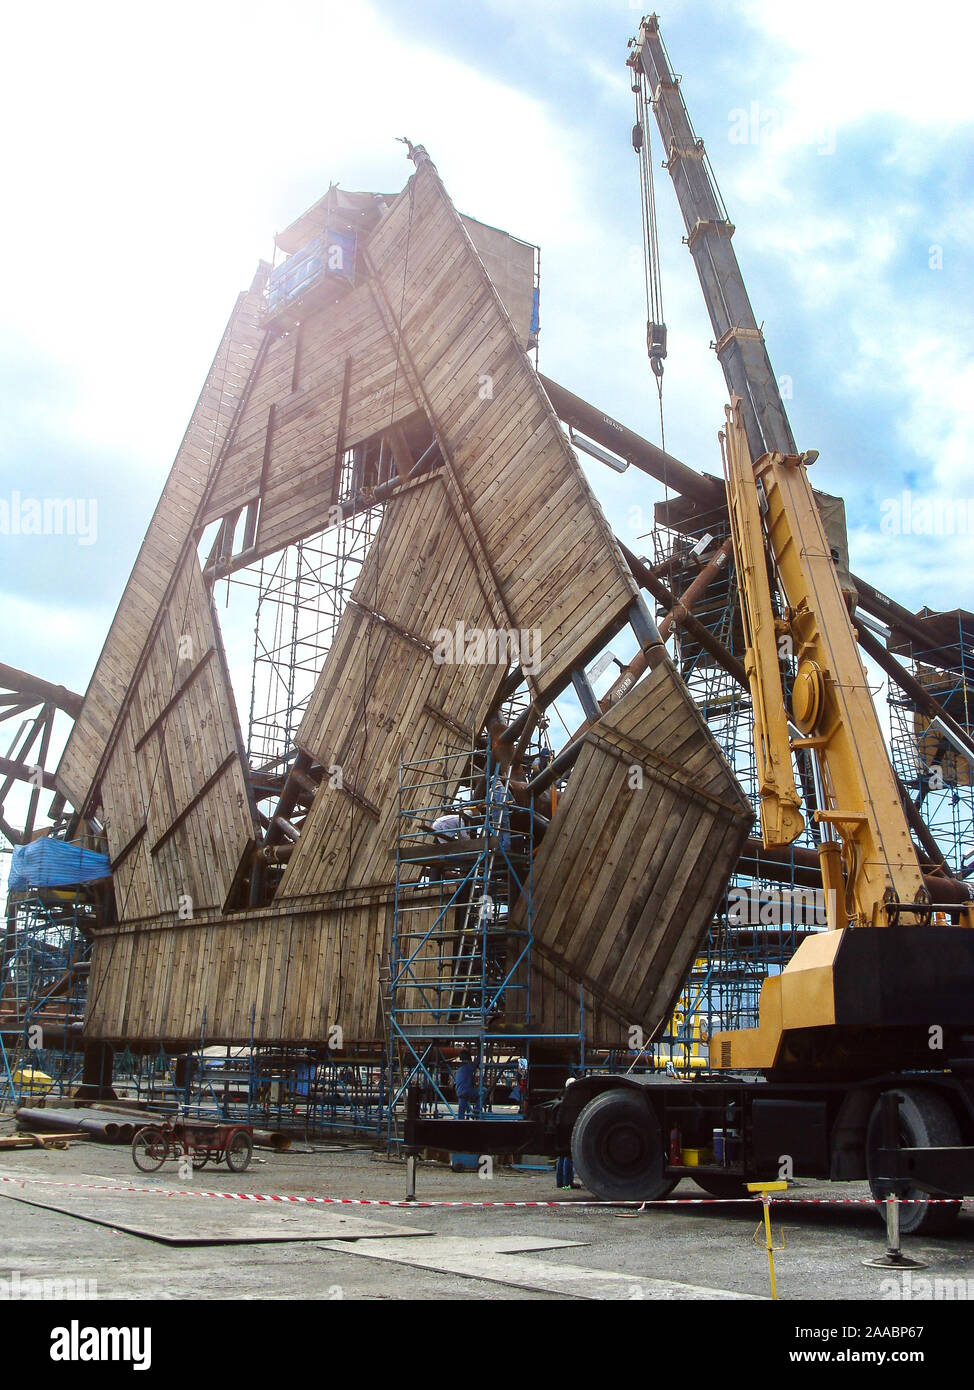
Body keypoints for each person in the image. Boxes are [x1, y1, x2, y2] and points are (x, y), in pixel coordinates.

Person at [455, 1052, 478, 1120]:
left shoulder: (459, 1069)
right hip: (467, 1091)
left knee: (461, 1111)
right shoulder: (468, 1067)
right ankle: (476, 1110)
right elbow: (476, 1063)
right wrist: (479, 1051)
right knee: (484, 1090)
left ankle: (460, 1122)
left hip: (459, 1092)